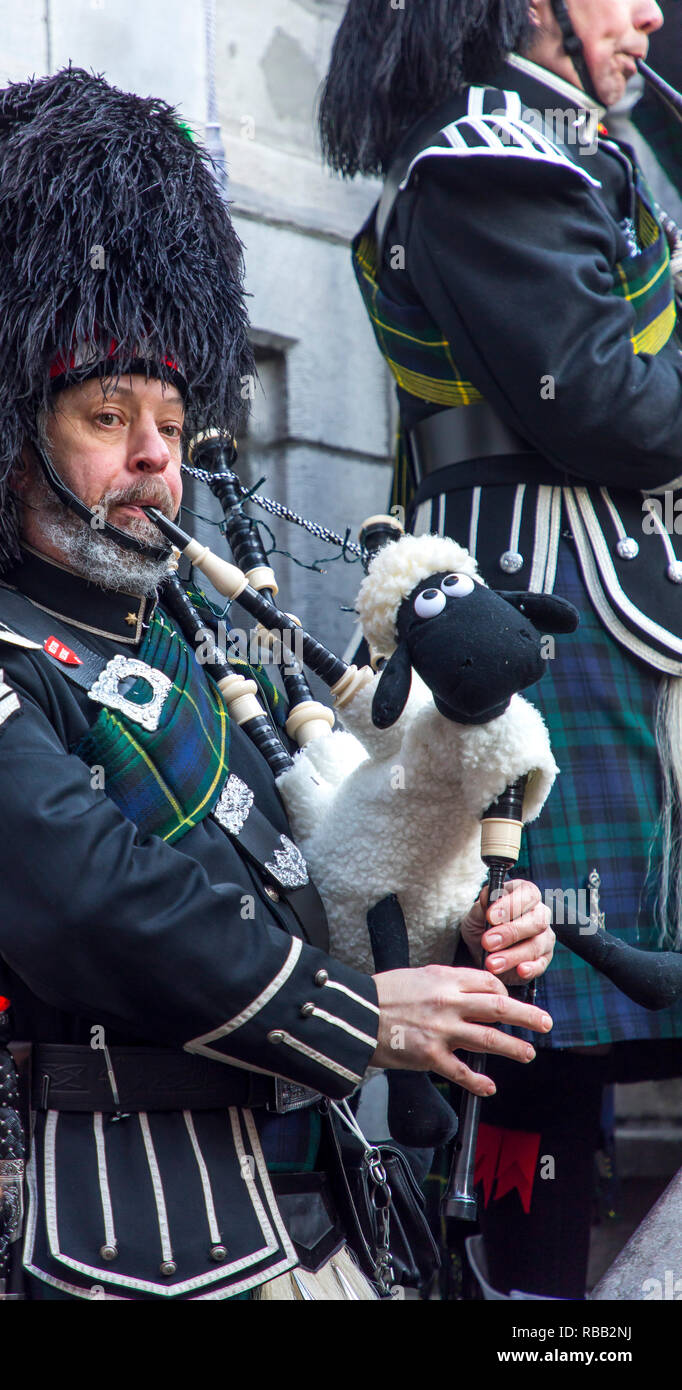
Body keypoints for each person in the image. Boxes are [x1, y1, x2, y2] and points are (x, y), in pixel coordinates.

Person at [0, 69, 554, 1302]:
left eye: (170, 416)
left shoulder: (173, 636)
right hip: (68, 1223)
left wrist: (455, 916)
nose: (156, 453)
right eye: (109, 414)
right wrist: (360, 1017)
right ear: (5, 431)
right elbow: (91, 899)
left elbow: (304, 883)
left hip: (299, 1204)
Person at [320, 0, 682, 1299]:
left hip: (608, 602)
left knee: (544, 1026)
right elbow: (610, 407)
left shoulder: (571, 144)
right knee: (519, 1028)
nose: (649, 11)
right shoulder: (490, 148)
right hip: (560, 616)